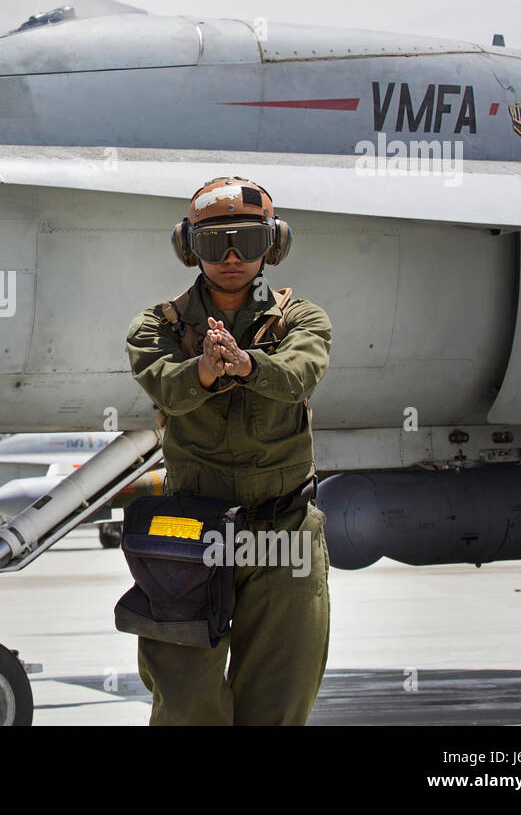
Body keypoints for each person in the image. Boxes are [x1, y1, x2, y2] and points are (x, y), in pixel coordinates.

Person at [122, 175, 333, 725]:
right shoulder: (156, 326)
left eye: (249, 241)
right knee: (186, 703)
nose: (234, 257)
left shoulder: (301, 319)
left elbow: (300, 373)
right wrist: (205, 372)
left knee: (278, 704)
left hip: (283, 531)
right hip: (192, 534)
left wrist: (248, 365)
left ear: (275, 243)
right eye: (217, 244)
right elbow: (163, 381)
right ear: (190, 248)